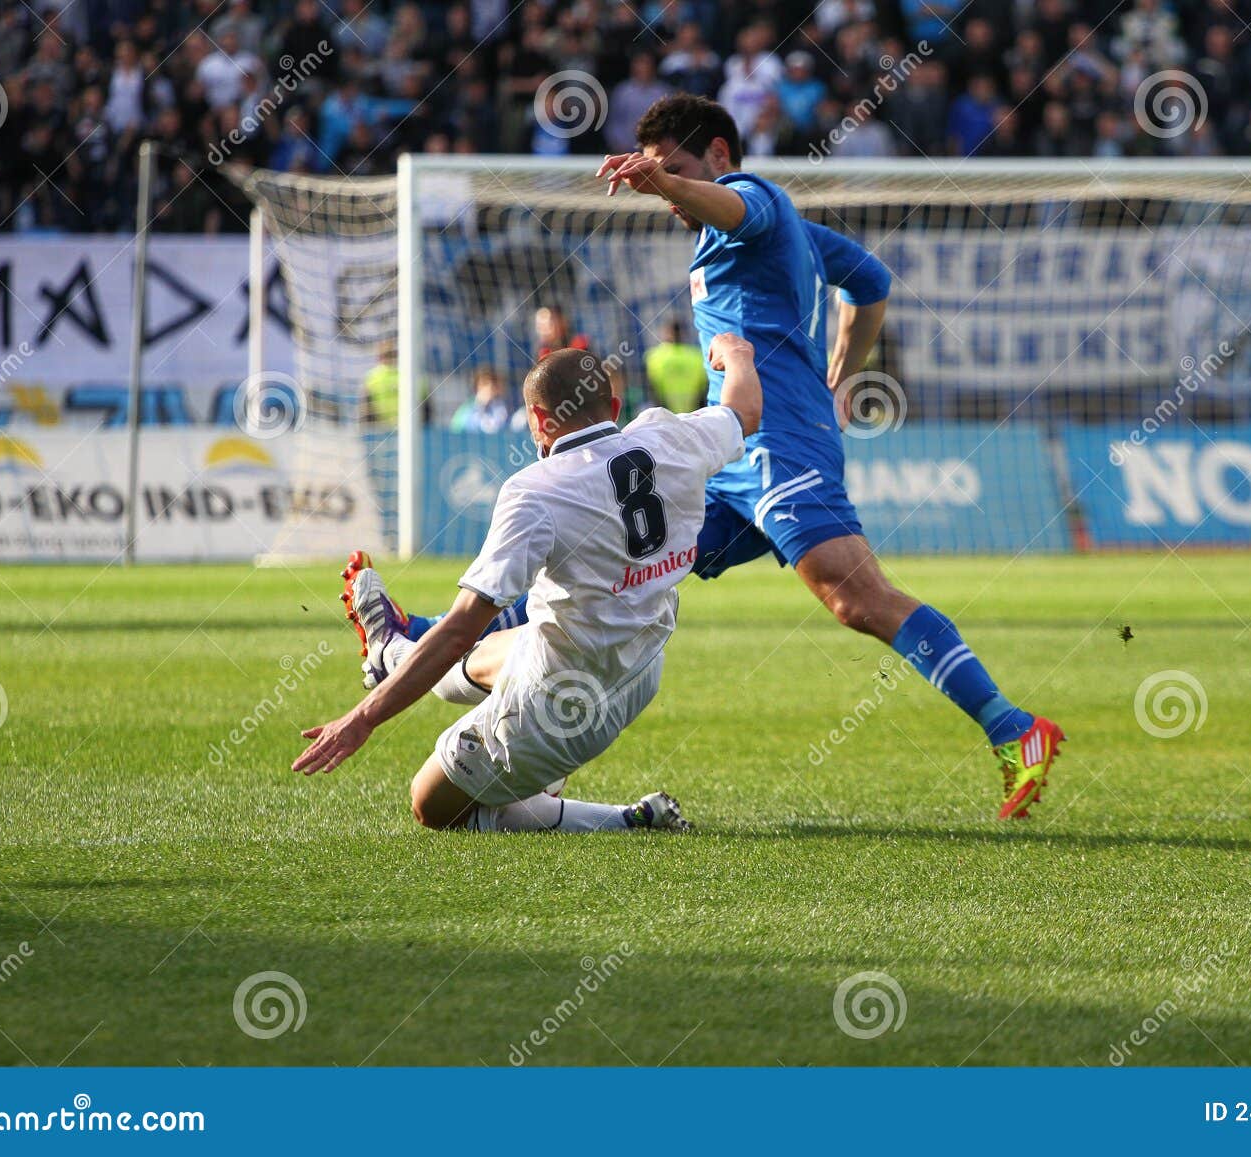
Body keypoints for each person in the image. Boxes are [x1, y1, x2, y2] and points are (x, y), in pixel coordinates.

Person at [378, 95, 1063, 820]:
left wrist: (669, 185)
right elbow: (871, 283)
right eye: (659, 171)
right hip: (736, 459)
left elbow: (742, 210)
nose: (666, 187)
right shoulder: (777, 232)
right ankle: (417, 638)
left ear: (719, 157)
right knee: (612, 553)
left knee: (854, 595)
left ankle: (1016, 728)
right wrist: (840, 377)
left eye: (676, 168)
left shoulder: (752, 199)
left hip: (777, 445)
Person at [299, 337, 764, 834]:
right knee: (494, 651)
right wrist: (738, 356)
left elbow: (459, 627)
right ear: (611, 406)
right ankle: (392, 653)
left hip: (558, 705)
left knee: (430, 806)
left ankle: (628, 822)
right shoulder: (669, 435)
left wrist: (363, 719)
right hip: (641, 672)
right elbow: (743, 411)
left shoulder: (534, 490)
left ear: (538, 421)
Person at [644, 319, 708, 413]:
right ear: (684, 333)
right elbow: (703, 386)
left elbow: (651, 386)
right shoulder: (696, 355)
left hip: (665, 407)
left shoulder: (654, 356)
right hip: (693, 408)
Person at [449, 367, 513, 432]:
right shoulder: (466, 409)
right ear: (477, 386)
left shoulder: (500, 406)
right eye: (485, 384)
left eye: (492, 384)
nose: (489, 388)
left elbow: (503, 426)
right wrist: (480, 406)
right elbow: (456, 429)